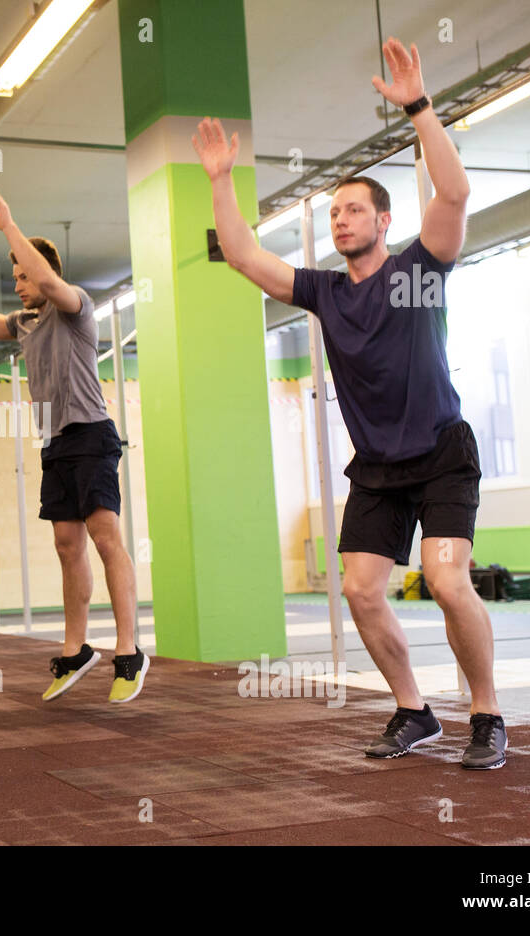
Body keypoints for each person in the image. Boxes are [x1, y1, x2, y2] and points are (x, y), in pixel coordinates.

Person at [192, 37, 504, 769]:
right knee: (362, 591)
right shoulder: (327, 293)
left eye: (353, 210)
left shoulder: (417, 271)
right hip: (378, 466)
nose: (339, 221)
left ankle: (486, 716)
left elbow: (454, 194)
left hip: (441, 451)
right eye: (333, 211)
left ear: (383, 222)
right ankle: (414, 711)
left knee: (447, 576)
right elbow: (243, 256)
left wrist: (420, 109)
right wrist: (220, 180)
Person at [0, 188, 147, 704]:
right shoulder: (23, 323)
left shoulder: (75, 307)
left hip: (92, 433)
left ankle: (128, 650)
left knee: (105, 537)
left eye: (22, 276)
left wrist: (10, 225)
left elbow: (51, 281)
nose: (18, 285)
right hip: (54, 443)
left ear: (42, 271)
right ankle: (76, 649)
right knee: (66, 545)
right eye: (14, 278)